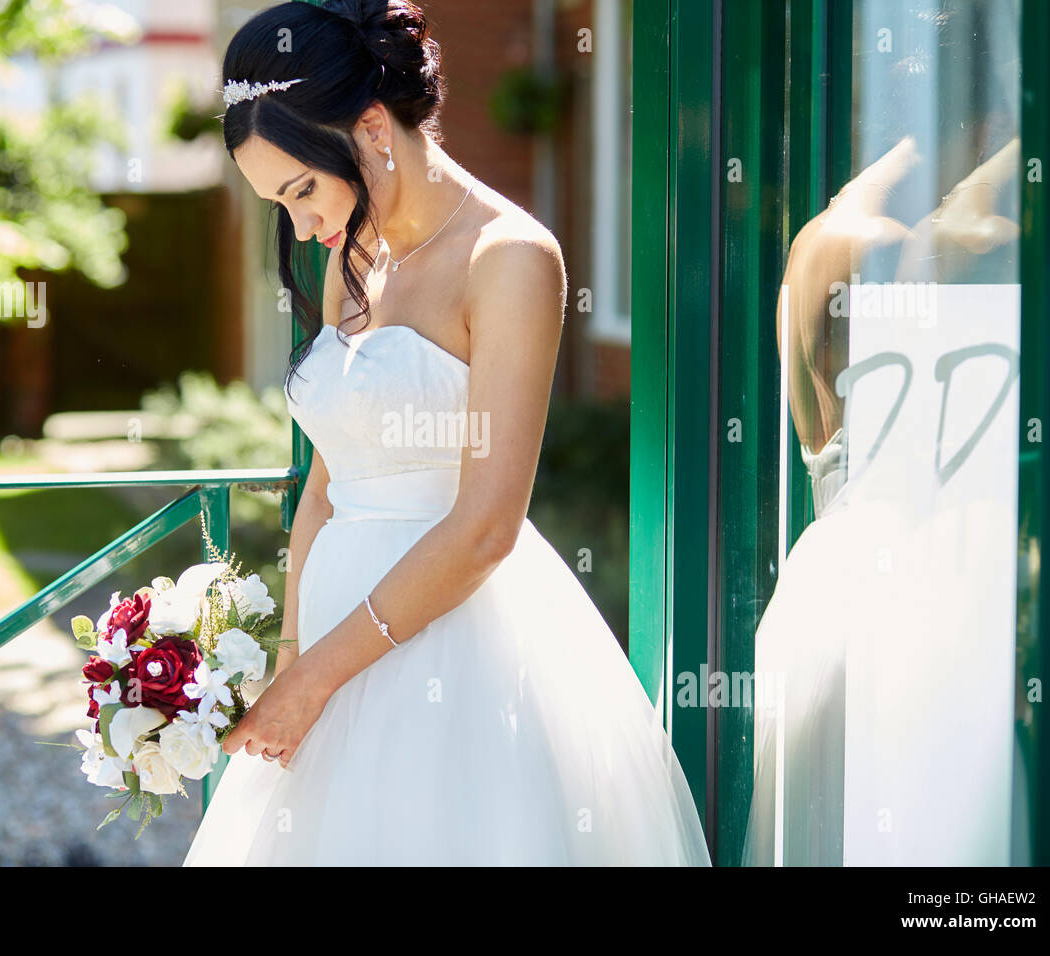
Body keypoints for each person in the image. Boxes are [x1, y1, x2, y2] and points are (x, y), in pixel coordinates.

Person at [183, 0, 710, 866]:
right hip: (326, 653)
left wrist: (316, 680)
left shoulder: (508, 259)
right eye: (281, 204)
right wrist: (290, 656)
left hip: (461, 644)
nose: (303, 225)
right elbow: (326, 481)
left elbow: (485, 527)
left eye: (303, 189)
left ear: (370, 125)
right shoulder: (348, 254)